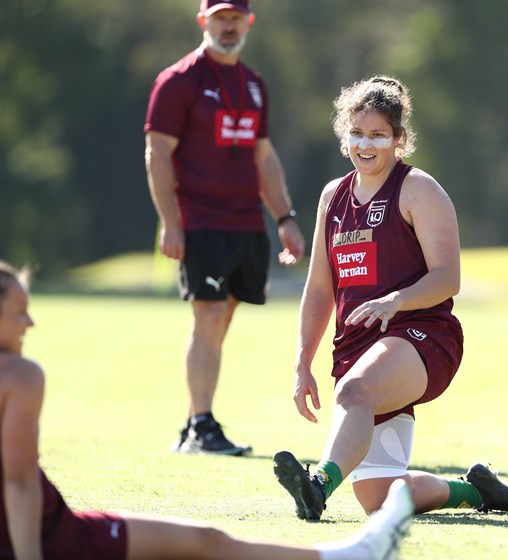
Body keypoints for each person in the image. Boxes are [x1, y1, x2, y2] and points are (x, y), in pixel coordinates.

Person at [0, 254, 414, 559]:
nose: (30, 322)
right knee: (207, 543)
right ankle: (353, 555)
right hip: (52, 539)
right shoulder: (18, 375)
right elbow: (19, 484)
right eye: (19, 312)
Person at [271, 75, 508, 522]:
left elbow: (448, 278)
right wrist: (302, 364)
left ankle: (317, 487)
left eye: (378, 134)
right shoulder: (332, 197)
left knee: (354, 391)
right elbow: (318, 289)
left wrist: (395, 300)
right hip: (357, 346)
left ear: (399, 138)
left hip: (422, 335)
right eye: (357, 133)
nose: (366, 144)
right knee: (379, 499)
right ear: (344, 136)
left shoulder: (418, 189)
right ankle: (478, 491)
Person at [144, 0, 305, 455]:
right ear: (204, 21)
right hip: (202, 221)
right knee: (209, 315)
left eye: (235, 18)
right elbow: (157, 155)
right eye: (220, 18)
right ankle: (201, 425)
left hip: (246, 222)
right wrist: (170, 223)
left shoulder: (254, 84)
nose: (228, 26)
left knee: (222, 318)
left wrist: (285, 218)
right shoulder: (178, 81)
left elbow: (264, 157)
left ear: (248, 22)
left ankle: (194, 425)